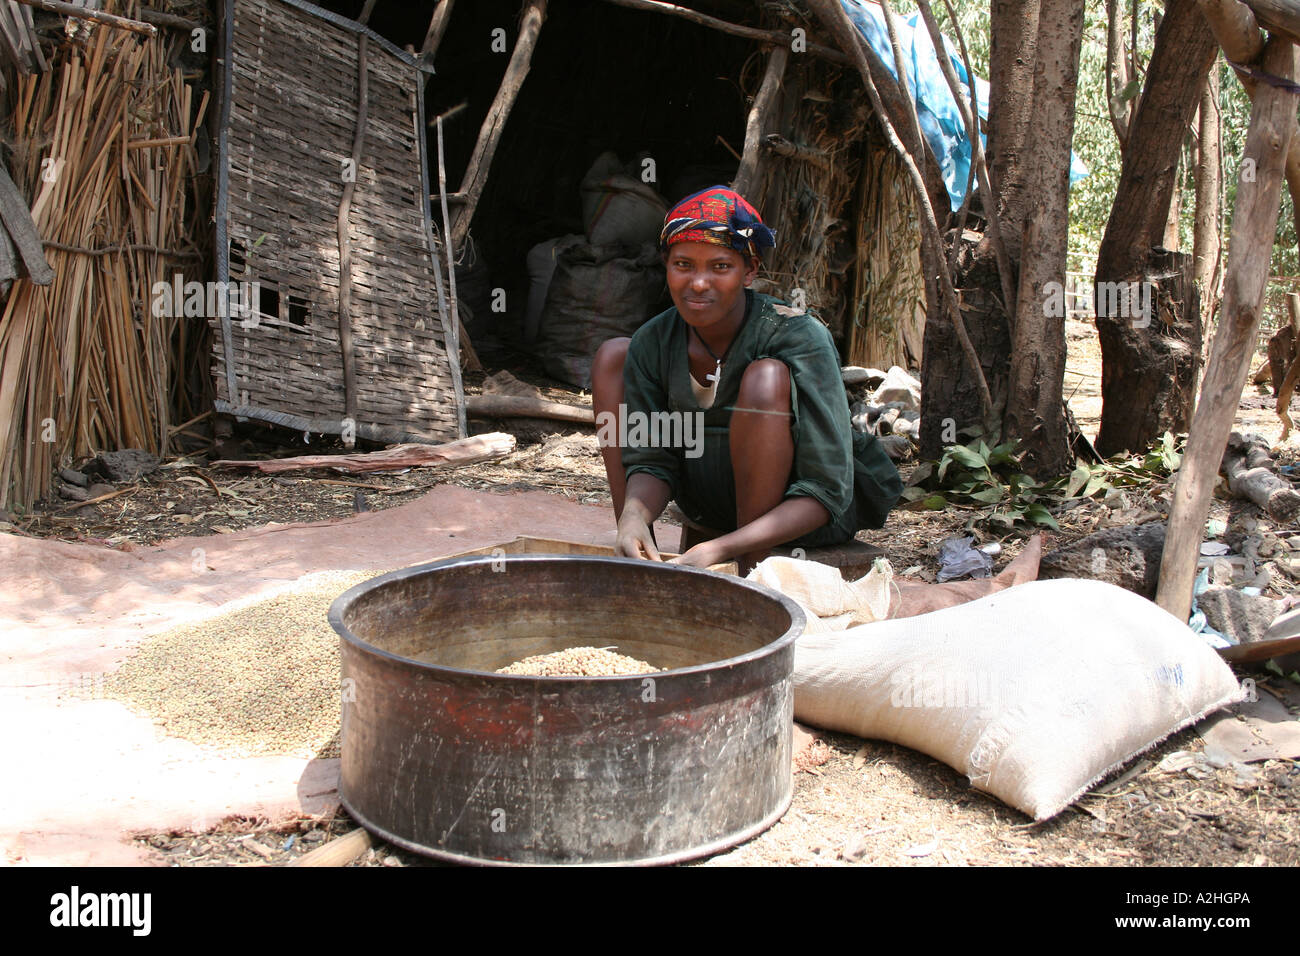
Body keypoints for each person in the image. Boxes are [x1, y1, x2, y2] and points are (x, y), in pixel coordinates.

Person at [591, 185, 902, 572]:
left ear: (749, 271)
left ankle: (751, 566)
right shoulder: (655, 341)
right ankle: (638, 555)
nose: (698, 283)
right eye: (683, 265)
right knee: (612, 357)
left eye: (720, 267)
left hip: (803, 513)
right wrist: (635, 513)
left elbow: (826, 491)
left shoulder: (798, 337)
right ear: (666, 266)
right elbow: (652, 459)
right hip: (709, 500)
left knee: (765, 379)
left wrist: (725, 549)